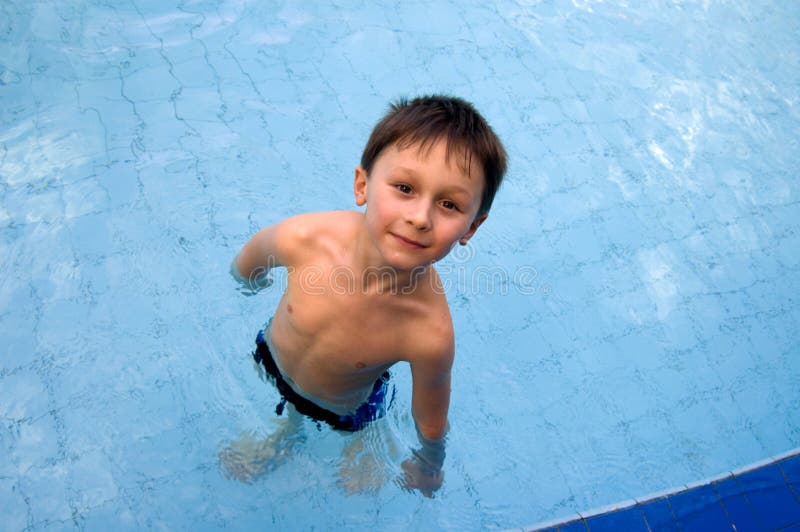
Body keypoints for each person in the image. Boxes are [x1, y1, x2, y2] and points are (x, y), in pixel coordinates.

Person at [227, 94, 507, 496]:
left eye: (448, 204)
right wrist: (247, 284)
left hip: (347, 410)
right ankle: (286, 431)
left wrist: (428, 465)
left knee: (358, 484)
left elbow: (429, 419)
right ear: (363, 185)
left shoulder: (428, 332)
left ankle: (361, 444)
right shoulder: (304, 240)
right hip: (271, 359)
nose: (419, 218)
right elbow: (249, 262)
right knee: (288, 415)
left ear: (471, 228)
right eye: (405, 188)